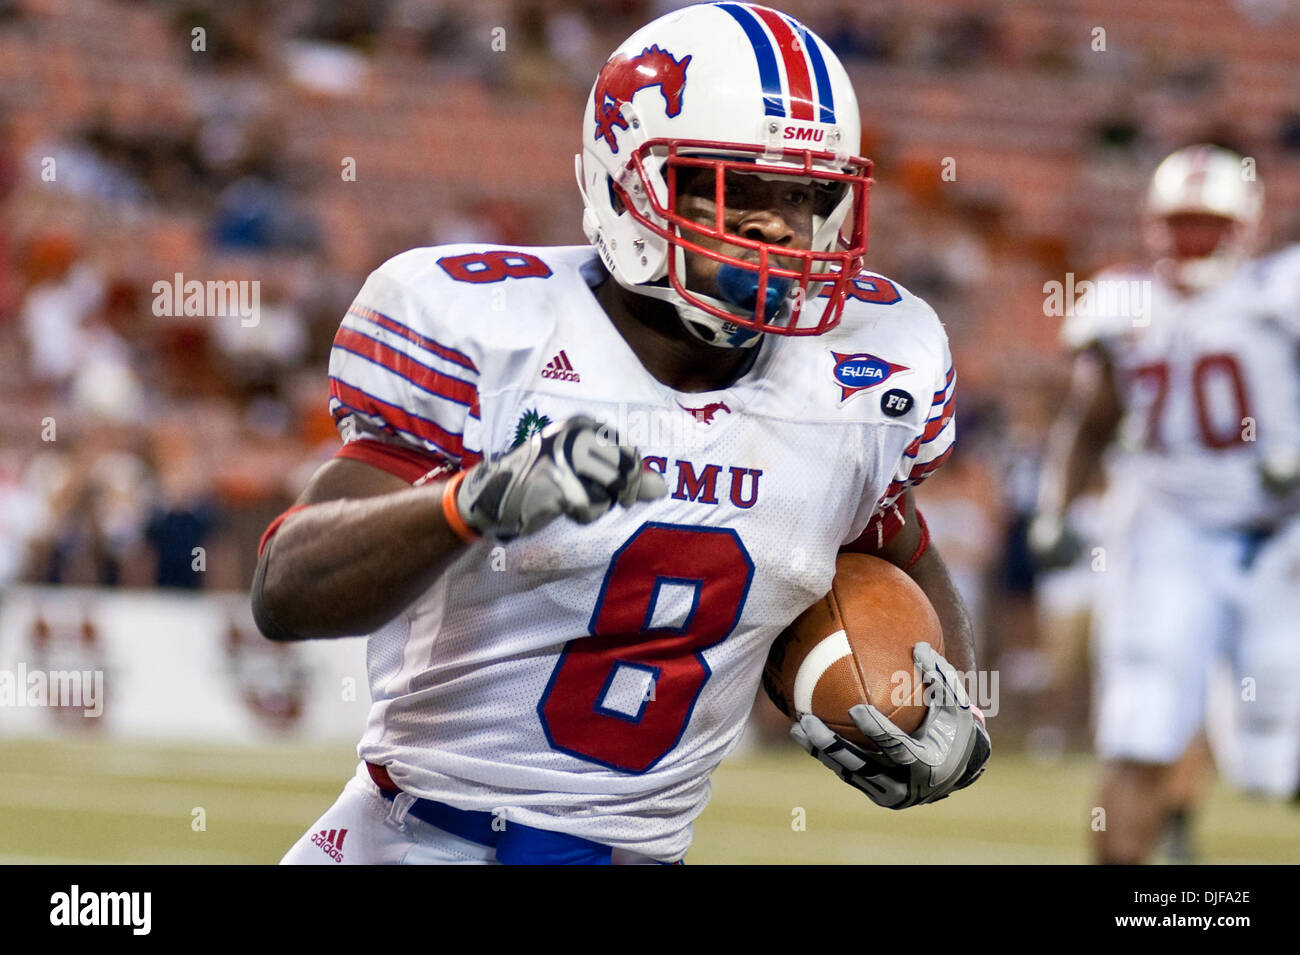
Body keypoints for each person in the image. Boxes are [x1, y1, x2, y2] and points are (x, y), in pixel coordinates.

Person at [253, 1, 988, 865]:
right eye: (734, 188)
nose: (777, 224)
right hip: (419, 839)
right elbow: (285, 590)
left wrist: (950, 708)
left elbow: (894, 544)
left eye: (802, 194)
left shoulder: (861, 377)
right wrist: (470, 503)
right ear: (628, 184)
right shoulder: (490, 331)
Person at [1031, 143, 1300, 864]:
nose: (1193, 240)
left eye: (1208, 224)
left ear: (1243, 226)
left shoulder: (1281, 290)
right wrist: (1055, 510)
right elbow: (1091, 420)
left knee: (1277, 758)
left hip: (1285, 539)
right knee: (1139, 730)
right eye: (1181, 223)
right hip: (1168, 532)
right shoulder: (1123, 302)